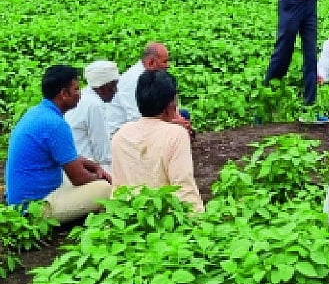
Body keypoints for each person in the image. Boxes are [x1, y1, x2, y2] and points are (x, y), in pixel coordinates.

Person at [4, 65, 112, 223]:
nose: (79, 93)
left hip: (23, 194)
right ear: (64, 94)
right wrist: (99, 177)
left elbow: (69, 158)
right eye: (76, 89)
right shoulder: (55, 124)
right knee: (104, 189)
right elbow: (78, 178)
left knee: (90, 173)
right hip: (34, 207)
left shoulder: (38, 112)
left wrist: (93, 166)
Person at [110, 70, 204, 212]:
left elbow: (117, 189)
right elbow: (184, 188)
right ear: (170, 105)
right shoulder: (176, 134)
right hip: (164, 216)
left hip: (128, 215)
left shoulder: (120, 134)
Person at [109, 42, 190, 136]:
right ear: (151, 62)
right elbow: (136, 117)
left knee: (183, 115)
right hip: (123, 130)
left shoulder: (154, 77)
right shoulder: (133, 80)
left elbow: (168, 104)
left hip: (148, 120)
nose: (168, 65)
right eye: (164, 61)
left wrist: (178, 118)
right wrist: (170, 123)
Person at [65, 60, 119, 172]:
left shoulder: (85, 96)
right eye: (113, 86)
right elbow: (103, 155)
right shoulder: (95, 105)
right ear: (102, 87)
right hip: (86, 168)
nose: (116, 90)